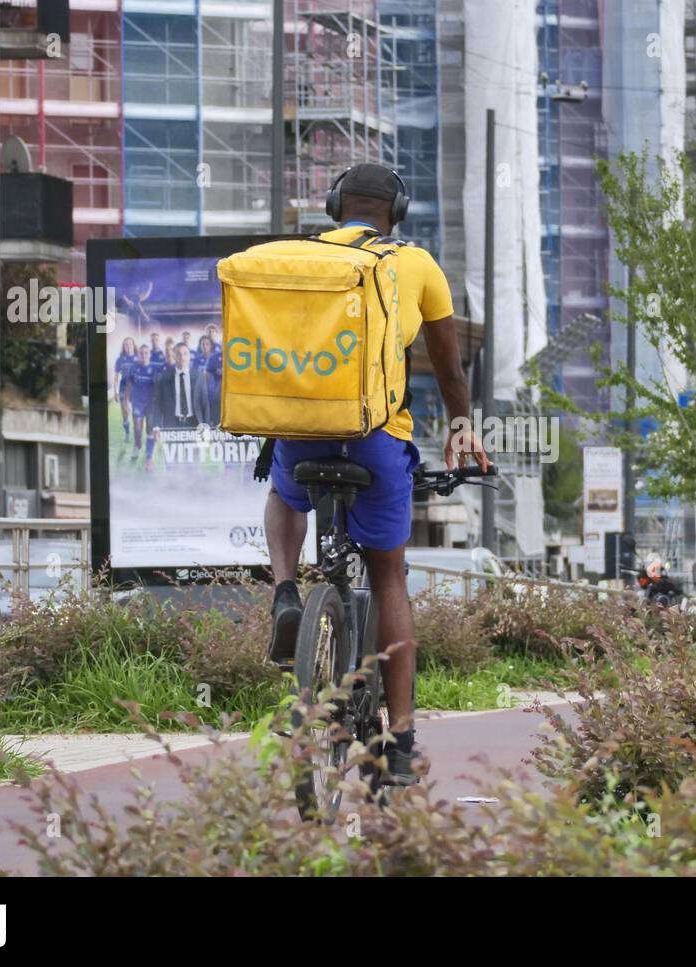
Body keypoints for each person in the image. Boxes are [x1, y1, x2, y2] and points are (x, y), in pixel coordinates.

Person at [263, 164, 489, 786]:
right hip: (376, 439)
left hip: (301, 430)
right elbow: (449, 372)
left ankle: (286, 591)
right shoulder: (417, 265)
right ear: (400, 209)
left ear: (334, 205)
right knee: (389, 575)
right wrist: (462, 426)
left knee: (283, 493)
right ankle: (399, 741)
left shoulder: (297, 257)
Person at [150, 342, 201, 433]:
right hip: (172, 425)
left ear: (190, 356)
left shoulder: (198, 376)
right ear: (174, 356)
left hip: (194, 424)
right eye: (178, 354)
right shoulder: (164, 377)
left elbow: (204, 403)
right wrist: (156, 426)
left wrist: (206, 424)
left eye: (185, 354)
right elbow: (157, 403)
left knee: (193, 448)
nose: (182, 357)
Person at [127, 342, 161, 471]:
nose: (144, 355)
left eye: (146, 353)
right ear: (138, 355)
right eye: (141, 353)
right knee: (137, 430)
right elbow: (129, 384)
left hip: (150, 404)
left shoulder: (155, 369)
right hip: (137, 403)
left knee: (150, 429)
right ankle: (137, 445)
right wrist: (127, 401)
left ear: (150, 355)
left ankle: (149, 457)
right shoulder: (133, 368)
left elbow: (158, 387)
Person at [113, 336, 137, 439]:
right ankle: (127, 432)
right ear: (123, 347)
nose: (128, 346)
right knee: (125, 412)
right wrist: (115, 392)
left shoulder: (139, 357)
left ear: (133, 345)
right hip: (123, 387)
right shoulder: (120, 360)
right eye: (126, 344)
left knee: (136, 412)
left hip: (136, 388)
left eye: (130, 344)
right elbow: (116, 377)